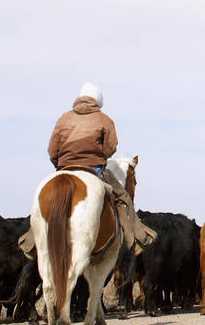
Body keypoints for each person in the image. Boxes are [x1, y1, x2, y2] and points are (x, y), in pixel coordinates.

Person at [19, 83, 156, 258]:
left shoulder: (64, 118)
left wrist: (59, 165)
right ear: (98, 102)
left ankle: (30, 244)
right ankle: (136, 241)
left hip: (65, 167)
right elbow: (111, 147)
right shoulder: (104, 119)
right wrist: (100, 158)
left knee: (44, 201)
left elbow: (52, 149)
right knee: (123, 199)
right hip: (94, 167)